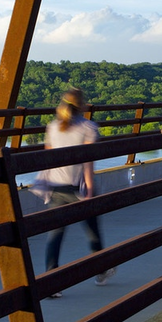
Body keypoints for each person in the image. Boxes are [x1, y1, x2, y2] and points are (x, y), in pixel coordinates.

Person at [42, 88, 114, 295]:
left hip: (56, 186)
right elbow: (87, 162)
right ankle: (100, 271)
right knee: (92, 229)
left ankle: (51, 282)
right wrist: (90, 189)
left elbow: (48, 157)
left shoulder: (53, 127)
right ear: (82, 105)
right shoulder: (89, 127)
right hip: (78, 187)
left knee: (55, 234)